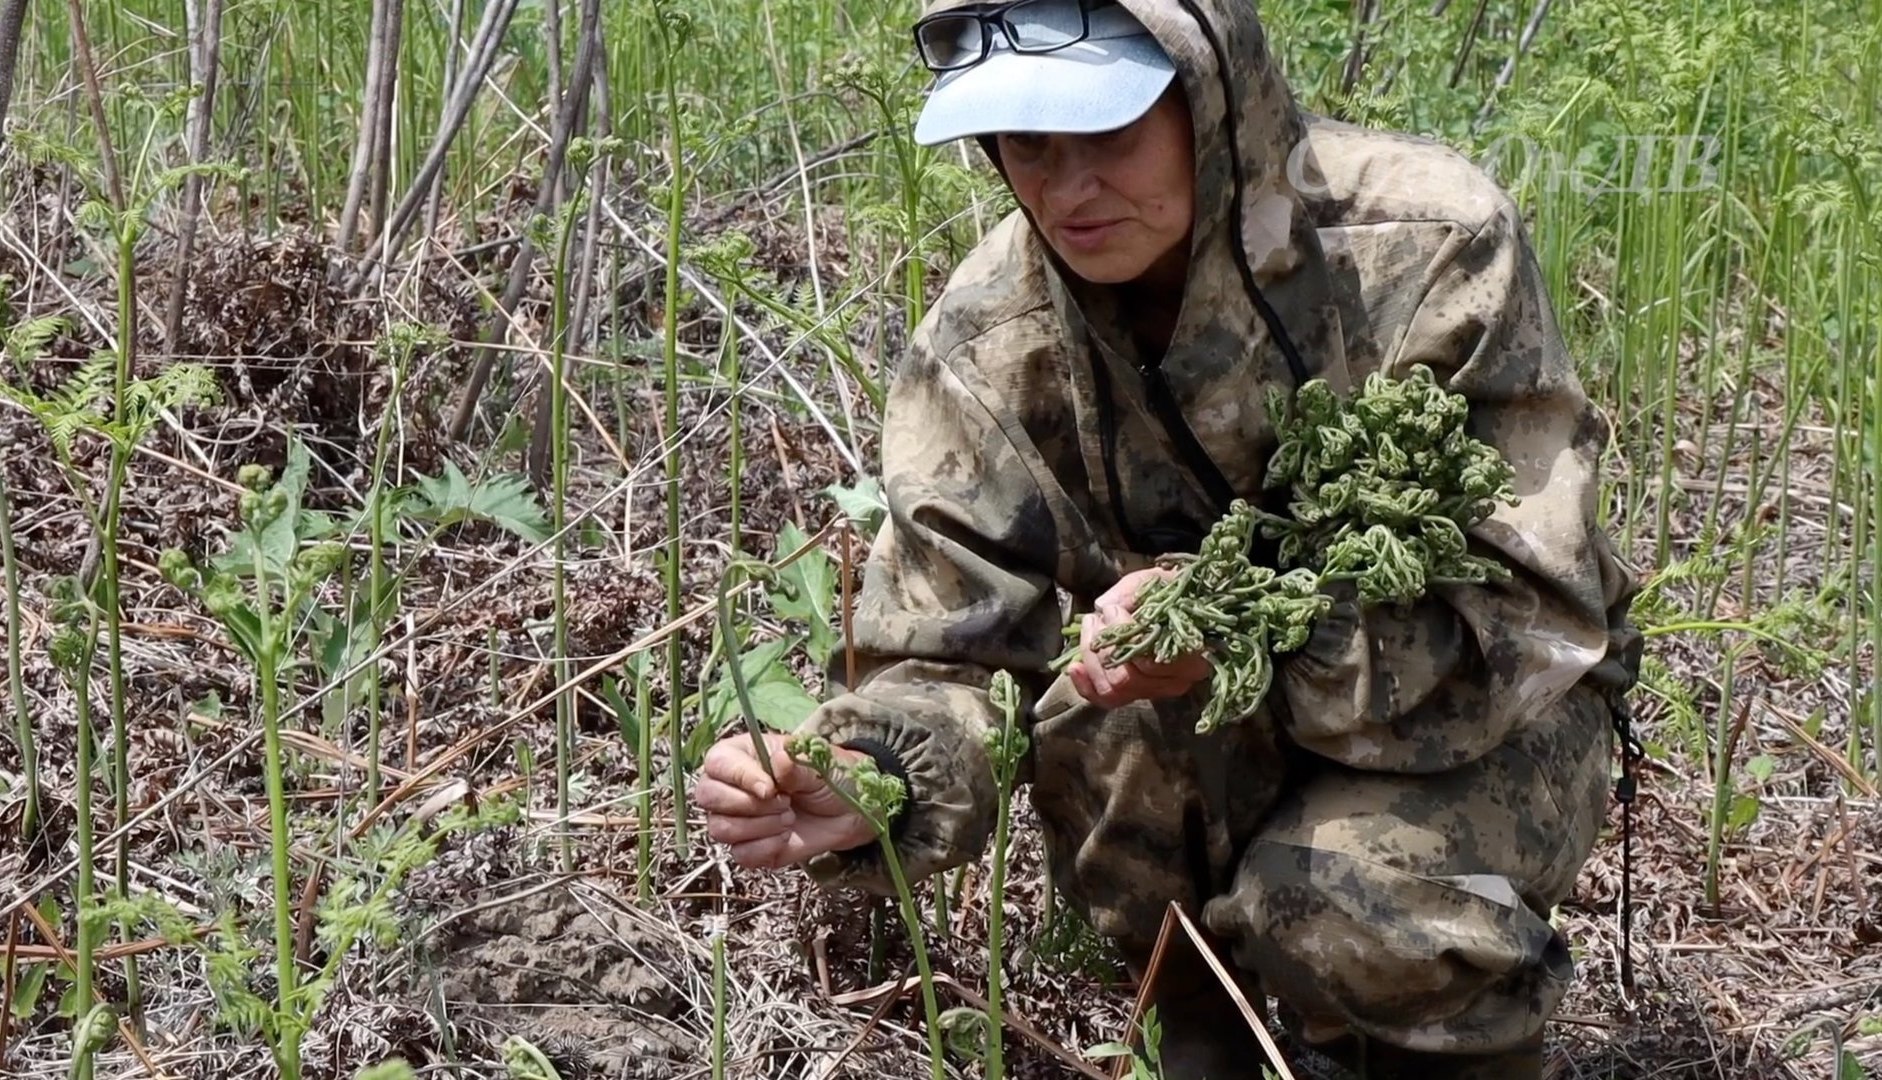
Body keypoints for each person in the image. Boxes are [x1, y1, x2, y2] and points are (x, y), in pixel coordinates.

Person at [691, 1, 1641, 1076]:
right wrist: (867, 773)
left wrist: (1241, 633)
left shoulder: (1425, 247)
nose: (1066, 187)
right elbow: (948, 651)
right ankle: (1203, 1034)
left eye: (1107, 133)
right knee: (1100, 715)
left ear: (1210, 97)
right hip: (1181, 738)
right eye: (1025, 143)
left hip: (1482, 716)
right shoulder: (986, 341)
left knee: (1345, 905)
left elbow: (1525, 605)